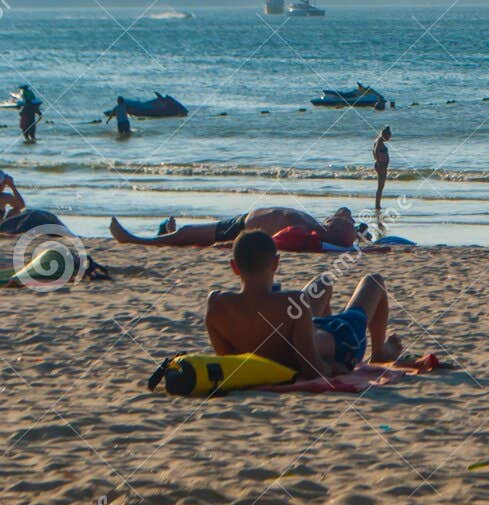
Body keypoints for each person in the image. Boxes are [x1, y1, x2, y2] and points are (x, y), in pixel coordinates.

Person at [204, 230, 401, 380]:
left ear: (234, 267)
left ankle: (321, 324)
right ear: (275, 263)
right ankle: (379, 352)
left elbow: (229, 361)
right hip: (343, 341)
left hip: (302, 329)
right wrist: (332, 368)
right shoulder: (292, 302)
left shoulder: (217, 306)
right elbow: (312, 368)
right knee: (374, 281)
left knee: (323, 282)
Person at [110, 206, 361, 248]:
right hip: (243, 219)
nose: (340, 217)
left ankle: (136, 241)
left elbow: (279, 240)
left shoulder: (308, 233)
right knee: (186, 233)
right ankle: (165, 237)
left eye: (342, 222)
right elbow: (344, 213)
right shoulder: (315, 225)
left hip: (240, 229)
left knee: (187, 232)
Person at [373, 126, 392, 211]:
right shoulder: (379, 142)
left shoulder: (378, 141)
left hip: (382, 165)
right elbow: (376, 152)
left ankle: (378, 204)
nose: (389, 139)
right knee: (380, 186)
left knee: (381, 186)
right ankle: (377, 205)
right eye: (388, 136)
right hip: (381, 165)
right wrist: (379, 161)